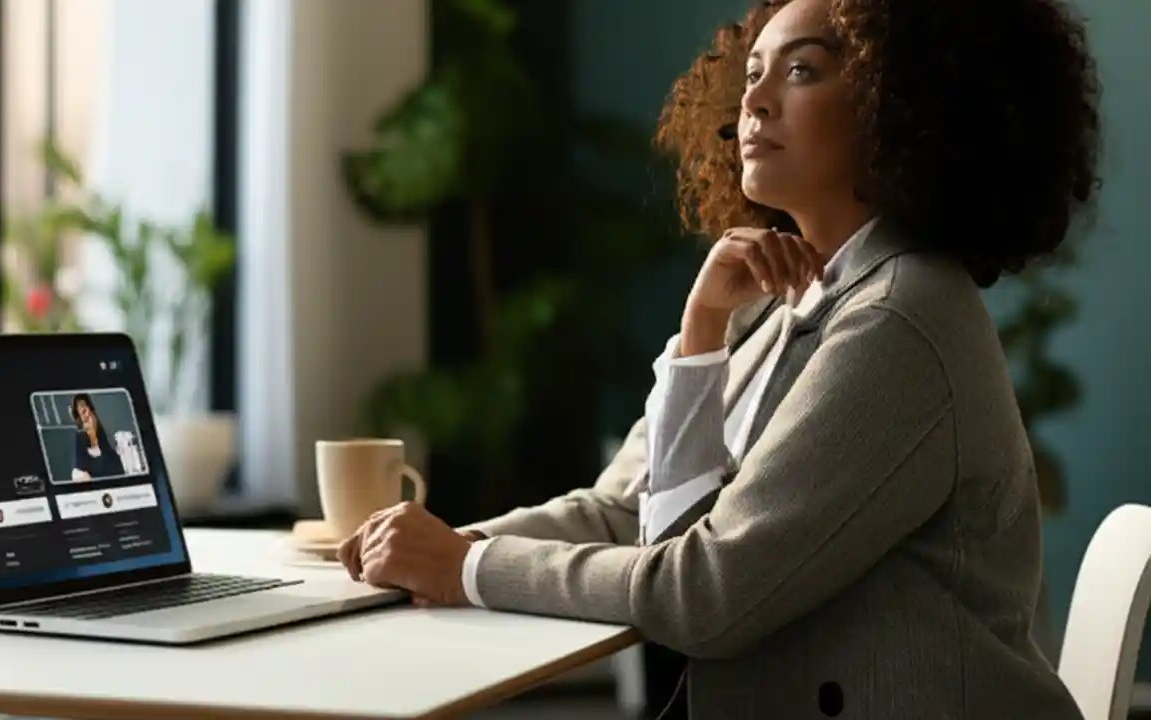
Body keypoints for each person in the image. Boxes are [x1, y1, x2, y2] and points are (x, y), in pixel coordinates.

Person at [336, 0, 1100, 716]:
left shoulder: (901, 314)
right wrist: (700, 331)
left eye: (802, 69)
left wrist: (462, 569)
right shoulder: (787, 299)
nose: (756, 102)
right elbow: (628, 514)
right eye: (753, 72)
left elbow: (706, 592)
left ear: (902, 104)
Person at [69, 394, 125, 481]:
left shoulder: (110, 452)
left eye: (90, 410)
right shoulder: (79, 446)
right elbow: (77, 474)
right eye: (83, 412)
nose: (88, 414)